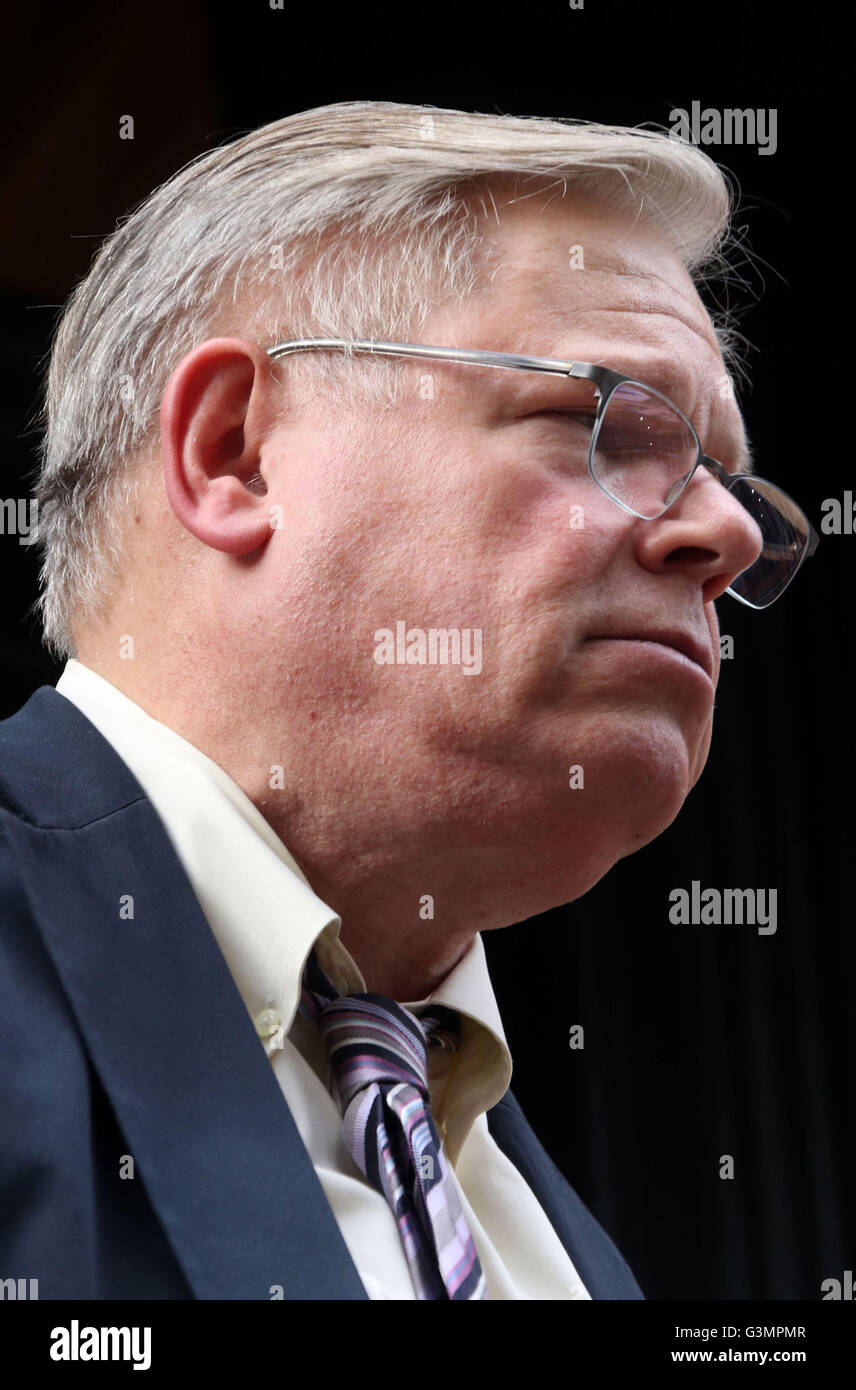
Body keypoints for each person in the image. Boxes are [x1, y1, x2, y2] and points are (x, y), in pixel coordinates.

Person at [0, 100, 816, 1301]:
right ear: (235, 452)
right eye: (604, 420)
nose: (730, 532)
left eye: (726, 476)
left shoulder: (563, 1249)